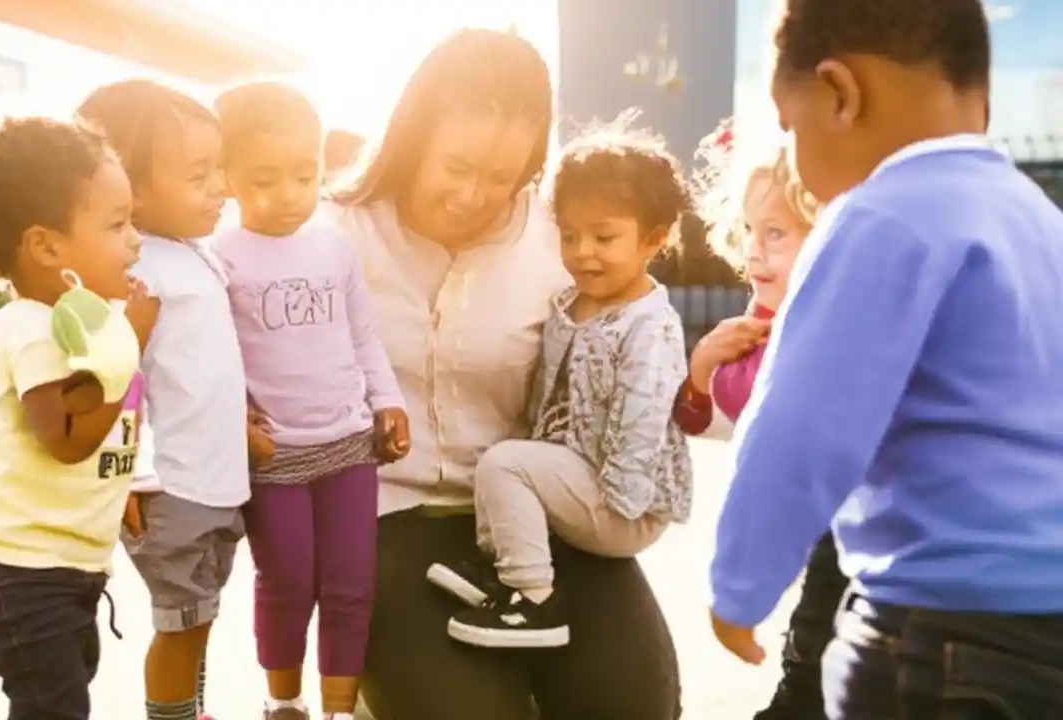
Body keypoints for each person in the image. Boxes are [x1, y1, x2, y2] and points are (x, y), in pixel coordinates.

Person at [709, 1, 1063, 718]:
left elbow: (803, 425)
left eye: (790, 124)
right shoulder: (1040, 222)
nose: (796, 152)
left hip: (936, 631)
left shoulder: (879, 216)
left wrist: (740, 585)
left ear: (840, 94)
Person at [328, 28, 681, 720]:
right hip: (391, 518)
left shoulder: (559, 238)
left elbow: (636, 341)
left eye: (502, 177)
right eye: (456, 166)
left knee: (633, 705)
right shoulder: (334, 234)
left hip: (540, 514)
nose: (475, 195)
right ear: (412, 137)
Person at [428, 115, 693, 650]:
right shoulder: (571, 304)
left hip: (626, 502)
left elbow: (641, 419)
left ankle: (534, 600)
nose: (583, 252)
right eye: (569, 236)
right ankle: (503, 569)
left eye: (604, 237)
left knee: (507, 463)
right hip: (579, 477)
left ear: (654, 239)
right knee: (505, 457)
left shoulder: (649, 327)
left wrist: (616, 500)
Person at [0, 115, 150, 719]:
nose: (135, 239)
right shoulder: (31, 326)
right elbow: (64, 439)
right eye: (117, 223)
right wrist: (128, 347)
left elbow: (94, 414)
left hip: (61, 566)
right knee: (54, 706)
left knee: (57, 696)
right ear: (46, 246)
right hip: (11, 568)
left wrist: (118, 482)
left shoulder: (85, 320)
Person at [211, 81, 410, 720]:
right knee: (289, 581)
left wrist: (389, 400)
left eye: (304, 175)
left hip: (349, 445)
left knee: (352, 585)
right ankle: (283, 702)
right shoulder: (220, 260)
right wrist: (236, 419)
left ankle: (339, 711)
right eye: (265, 179)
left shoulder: (333, 245)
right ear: (228, 177)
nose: (289, 193)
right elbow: (213, 360)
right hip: (275, 457)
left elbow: (362, 334)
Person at [78, 80, 270, 720]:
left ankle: (193, 710)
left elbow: (201, 368)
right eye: (199, 174)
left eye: (218, 167)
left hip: (213, 480)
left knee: (199, 615)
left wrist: (241, 421)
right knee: (180, 621)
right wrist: (122, 474)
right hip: (170, 486)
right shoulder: (138, 270)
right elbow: (114, 378)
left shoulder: (192, 257)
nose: (223, 185)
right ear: (130, 188)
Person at [675, 128, 847, 719]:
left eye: (775, 234)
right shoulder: (763, 323)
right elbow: (725, 422)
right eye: (749, 231)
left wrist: (741, 590)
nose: (753, 253)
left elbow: (772, 455)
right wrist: (702, 371)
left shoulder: (835, 319)